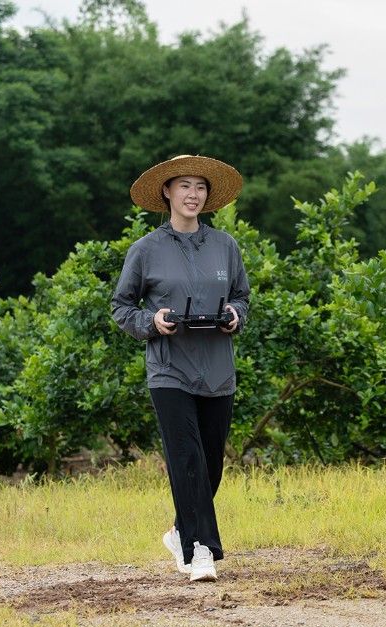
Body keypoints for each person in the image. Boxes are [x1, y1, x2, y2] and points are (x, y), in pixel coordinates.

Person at [111, 155, 249, 582]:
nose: (193, 194)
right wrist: (150, 322)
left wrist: (234, 315)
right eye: (184, 186)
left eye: (201, 187)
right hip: (169, 370)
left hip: (218, 370)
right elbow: (121, 307)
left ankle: (178, 531)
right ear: (166, 193)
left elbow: (243, 298)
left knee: (210, 465)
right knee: (186, 459)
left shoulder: (225, 245)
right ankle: (201, 551)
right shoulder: (145, 250)